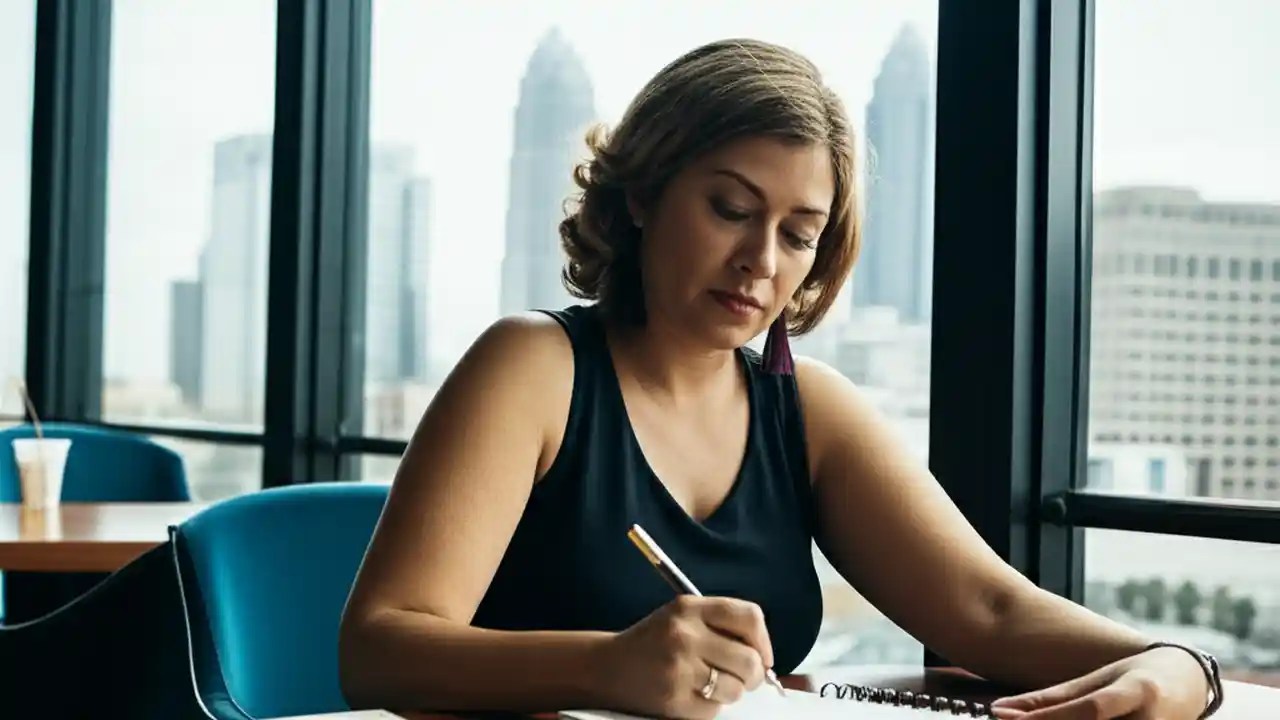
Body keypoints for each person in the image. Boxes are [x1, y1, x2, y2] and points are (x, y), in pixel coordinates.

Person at [339, 38, 1219, 720]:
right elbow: (377, 650)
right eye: (730, 209)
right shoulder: (530, 368)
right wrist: (608, 665)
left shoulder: (808, 409)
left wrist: (1180, 663)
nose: (761, 260)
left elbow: (987, 611)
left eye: (799, 233)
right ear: (642, 195)